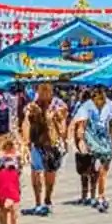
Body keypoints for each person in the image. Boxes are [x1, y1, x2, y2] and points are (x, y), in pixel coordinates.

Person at [21, 83, 69, 216]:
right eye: (42, 89)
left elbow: (63, 128)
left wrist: (54, 118)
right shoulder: (32, 105)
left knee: (50, 174)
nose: (45, 92)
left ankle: (47, 199)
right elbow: (26, 123)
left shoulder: (59, 105)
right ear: (37, 89)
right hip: (37, 143)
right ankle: (37, 203)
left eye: (47, 89)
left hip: (53, 145)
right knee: (36, 171)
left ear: (52, 89)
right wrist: (25, 143)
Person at [72, 87, 112, 213]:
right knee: (87, 171)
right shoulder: (85, 106)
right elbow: (79, 126)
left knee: (101, 170)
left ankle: (99, 195)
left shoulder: (111, 106)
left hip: (105, 143)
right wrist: (80, 141)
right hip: (91, 142)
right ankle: (93, 195)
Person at [71, 90, 98, 205]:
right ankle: (91, 196)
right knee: (92, 171)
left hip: (86, 144)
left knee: (85, 172)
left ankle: (85, 196)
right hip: (92, 144)